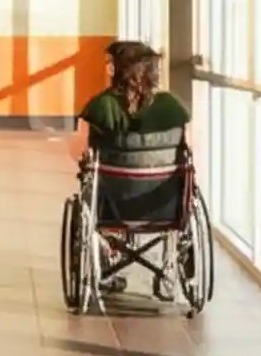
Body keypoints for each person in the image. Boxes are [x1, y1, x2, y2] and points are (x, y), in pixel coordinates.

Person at [76, 42, 191, 301]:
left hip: (109, 208)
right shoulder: (173, 107)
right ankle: (167, 269)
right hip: (163, 206)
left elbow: (81, 155)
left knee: (87, 191)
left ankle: (105, 260)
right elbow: (189, 153)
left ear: (118, 70)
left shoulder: (99, 107)